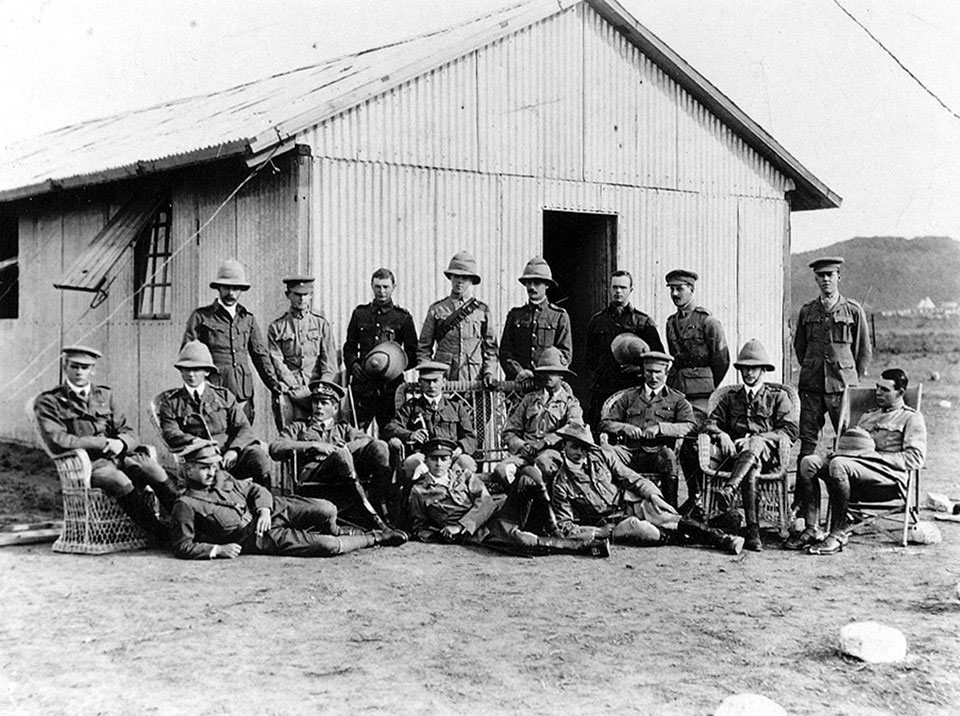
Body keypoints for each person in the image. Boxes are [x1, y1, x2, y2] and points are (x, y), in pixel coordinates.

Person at [170, 440, 408, 560]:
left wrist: (263, 509)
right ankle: (376, 537)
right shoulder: (187, 504)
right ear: (188, 470)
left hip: (272, 510)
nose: (211, 473)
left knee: (327, 508)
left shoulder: (221, 477)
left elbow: (253, 489)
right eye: (204, 469)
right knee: (328, 547)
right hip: (256, 536)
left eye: (213, 466)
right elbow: (182, 545)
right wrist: (217, 550)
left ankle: (338, 531)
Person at [34, 345, 177, 543]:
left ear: (93, 370)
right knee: (118, 479)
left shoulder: (105, 396)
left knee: (154, 469)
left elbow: (129, 432)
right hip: (89, 464)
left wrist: (121, 443)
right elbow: (59, 441)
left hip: (119, 456)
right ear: (65, 367)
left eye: (85, 367)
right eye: (74, 366)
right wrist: (101, 443)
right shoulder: (50, 401)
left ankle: (188, 527)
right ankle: (161, 534)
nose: (79, 372)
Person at [550, 423, 743, 555]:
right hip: (610, 522)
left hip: (629, 502)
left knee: (665, 515)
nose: (580, 453)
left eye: (584, 448)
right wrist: (599, 531)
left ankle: (724, 538)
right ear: (564, 446)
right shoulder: (562, 483)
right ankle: (715, 528)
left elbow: (630, 477)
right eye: (575, 447)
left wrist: (653, 495)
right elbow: (566, 527)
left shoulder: (599, 456)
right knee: (641, 528)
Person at [790, 368, 925, 555]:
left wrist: (876, 457)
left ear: (900, 393)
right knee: (809, 462)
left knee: (839, 466)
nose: (878, 392)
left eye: (885, 389)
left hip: (887, 477)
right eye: (877, 387)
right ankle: (812, 528)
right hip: (855, 471)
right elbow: (853, 446)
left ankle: (838, 534)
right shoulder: (868, 415)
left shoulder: (911, 418)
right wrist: (837, 453)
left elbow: (915, 457)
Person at [408, 438, 609, 557]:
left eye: (444, 459)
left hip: (496, 515)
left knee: (529, 472)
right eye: (434, 459)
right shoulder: (419, 491)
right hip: (481, 534)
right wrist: (441, 534)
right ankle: (590, 547)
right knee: (525, 542)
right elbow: (419, 526)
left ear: (450, 460)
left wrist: (459, 525)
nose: (439, 464)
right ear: (426, 461)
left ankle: (554, 528)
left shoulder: (464, 476)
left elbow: (485, 501)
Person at [700, 340, 799, 552]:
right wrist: (723, 435)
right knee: (751, 470)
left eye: (754, 368)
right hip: (738, 458)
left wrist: (760, 439)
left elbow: (790, 430)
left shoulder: (777, 397)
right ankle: (753, 532)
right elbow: (709, 423)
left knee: (755, 442)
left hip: (768, 456)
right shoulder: (730, 398)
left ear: (763, 370)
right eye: (745, 368)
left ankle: (730, 488)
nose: (749, 373)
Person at [269, 380, 391, 526]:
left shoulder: (343, 429)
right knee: (341, 455)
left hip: (344, 474)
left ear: (334, 408)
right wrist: (313, 445)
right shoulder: (300, 427)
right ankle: (369, 512)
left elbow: (367, 440)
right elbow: (275, 447)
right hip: (314, 476)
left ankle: (382, 507)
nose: (318, 407)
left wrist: (345, 447)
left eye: (324, 403)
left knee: (380, 446)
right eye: (315, 402)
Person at [156, 341, 274, 489]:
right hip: (201, 459)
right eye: (186, 369)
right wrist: (203, 445)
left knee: (258, 457)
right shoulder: (171, 403)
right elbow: (171, 433)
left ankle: (264, 506)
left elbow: (243, 427)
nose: (191, 374)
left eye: (196, 369)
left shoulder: (223, 396)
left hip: (230, 456)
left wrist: (234, 450)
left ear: (206, 372)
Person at [182, 259, 283, 425]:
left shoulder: (248, 319)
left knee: (243, 437)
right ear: (218, 288)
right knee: (217, 437)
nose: (231, 293)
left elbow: (260, 355)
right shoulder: (201, 317)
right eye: (226, 287)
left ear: (241, 290)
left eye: (236, 288)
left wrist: (274, 385)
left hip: (242, 395)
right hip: (214, 393)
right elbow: (188, 358)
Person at [663, 268, 730, 513]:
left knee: (694, 443)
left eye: (680, 288)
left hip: (702, 394)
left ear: (692, 289)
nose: (675, 293)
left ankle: (701, 497)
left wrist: (707, 387)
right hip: (678, 391)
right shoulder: (671, 323)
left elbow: (721, 360)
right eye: (671, 289)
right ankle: (687, 497)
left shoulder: (708, 322)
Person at [793, 256, 872, 461]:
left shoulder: (853, 310)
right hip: (812, 387)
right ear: (815, 280)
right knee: (808, 442)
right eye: (821, 275)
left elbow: (863, 350)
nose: (826, 279)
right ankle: (806, 494)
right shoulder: (807, 311)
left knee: (848, 440)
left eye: (830, 275)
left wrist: (851, 376)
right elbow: (800, 347)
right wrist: (813, 367)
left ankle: (846, 490)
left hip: (842, 386)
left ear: (839, 277)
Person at [598, 351, 696, 507]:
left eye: (658, 372)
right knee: (606, 453)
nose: (653, 377)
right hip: (629, 452)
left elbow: (689, 426)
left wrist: (661, 428)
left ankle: (671, 509)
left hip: (657, 454)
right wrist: (624, 427)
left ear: (667, 373)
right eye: (649, 372)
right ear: (643, 371)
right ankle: (610, 505)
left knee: (668, 456)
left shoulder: (677, 399)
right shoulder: (629, 397)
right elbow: (605, 423)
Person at [383, 361, 477, 518]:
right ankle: (416, 512)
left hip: (452, 457)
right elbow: (390, 428)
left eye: (435, 381)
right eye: (427, 381)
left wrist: (460, 448)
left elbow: (471, 437)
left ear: (444, 382)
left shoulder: (456, 407)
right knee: (412, 463)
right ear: (420, 382)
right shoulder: (411, 407)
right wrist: (410, 435)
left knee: (466, 462)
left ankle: (461, 510)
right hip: (425, 457)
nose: (431, 385)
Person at [493, 347, 582, 492]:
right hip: (525, 454)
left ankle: (541, 503)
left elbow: (574, 428)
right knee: (501, 470)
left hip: (551, 454)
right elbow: (509, 432)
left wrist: (545, 442)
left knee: (542, 464)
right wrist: (522, 445)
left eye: (553, 372)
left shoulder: (570, 402)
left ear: (561, 375)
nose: (548, 376)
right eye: (545, 372)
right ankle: (524, 497)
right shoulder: (529, 400)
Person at [584, 270, 664, 426]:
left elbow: (658, 359)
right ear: (609, 289)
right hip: (604, 389)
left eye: (623, 287)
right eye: (614, 287)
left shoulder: (643, 322)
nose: (618, 291)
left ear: (631, 290)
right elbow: (589, 360)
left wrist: (637, 369)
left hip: (633, 389)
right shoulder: (597, 321)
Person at [343, 268, 418, 429]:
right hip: (363, 386)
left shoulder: (402, 317)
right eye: (378, 287)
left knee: (392, 432)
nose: (382, 291)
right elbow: (349, 347)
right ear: (372, 286)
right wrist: (354, 365)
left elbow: (413, 353)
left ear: (393, 287)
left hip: (390, 390)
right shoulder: (360, 314)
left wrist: (394, 367)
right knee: (356, 431)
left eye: (385, 287)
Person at [267, 276, 338, 425]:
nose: (302, 299)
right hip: (291, 389)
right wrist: (294, 386)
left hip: (317, 389)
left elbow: (329, 363)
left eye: (305, 295)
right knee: (290, 429)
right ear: (288, 295)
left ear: (311, 295)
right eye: (297, 294)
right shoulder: (277, 327)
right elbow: (277, 362)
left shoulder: (321, 324)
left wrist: (321, 387)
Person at [417, 252, 498, 383]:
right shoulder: (437, 309)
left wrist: (489, 372)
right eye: (456, 276)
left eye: (465, 277)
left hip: (474, 379)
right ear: (450, 277)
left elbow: (491, 348)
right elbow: (424, 347)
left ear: (471, 280)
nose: (460, 281)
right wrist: (429, 374)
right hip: (444, 378)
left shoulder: (482, 310)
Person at [500, 257, 572, 382]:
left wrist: (540, 374)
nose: (531, 287)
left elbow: (565, 355)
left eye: (537, 282)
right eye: (528, 282)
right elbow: (505, 352)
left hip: (545, 385)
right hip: (518, 385)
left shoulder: (559, 316)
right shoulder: (515, 315)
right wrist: (519, 372)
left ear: (547, 285)